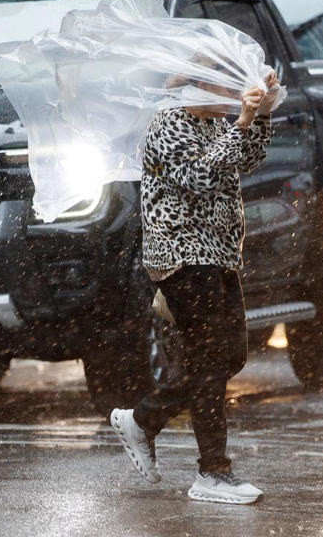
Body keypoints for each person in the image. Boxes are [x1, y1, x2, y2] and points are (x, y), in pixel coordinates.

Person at [111, 69, 280, 505]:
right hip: (183, 257)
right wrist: (243, 121)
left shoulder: (210, 122)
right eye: (225, 89)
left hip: (219, 255)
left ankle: (144, 420)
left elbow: (245, 160)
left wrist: (259, 117)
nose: (231, 96)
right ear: (198, 89)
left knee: (229, 356)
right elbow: (201, 178)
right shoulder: (166, 125)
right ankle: (213, 472)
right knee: (209, 359)